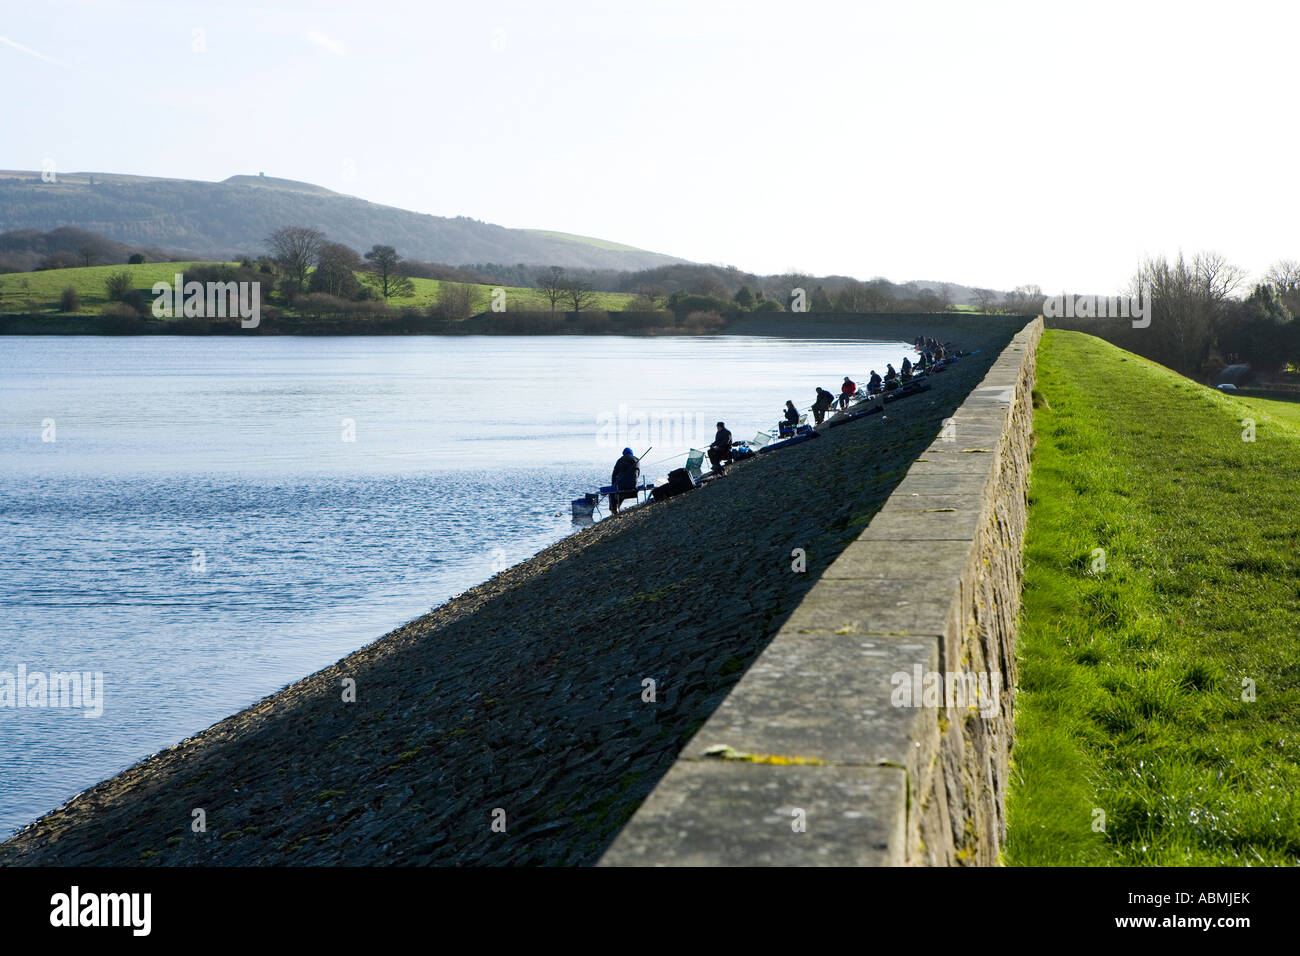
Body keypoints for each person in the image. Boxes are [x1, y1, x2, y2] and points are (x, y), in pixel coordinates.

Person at [609, 447, 639, 514]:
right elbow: (637, 474)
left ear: (623, 454)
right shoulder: (636, 461)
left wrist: (613, 485)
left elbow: (614, 474)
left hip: (621, 486)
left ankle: (614, 509)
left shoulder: (620, 460)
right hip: (632, 486)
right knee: (621, 491)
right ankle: (617, 508)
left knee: (612, 492)